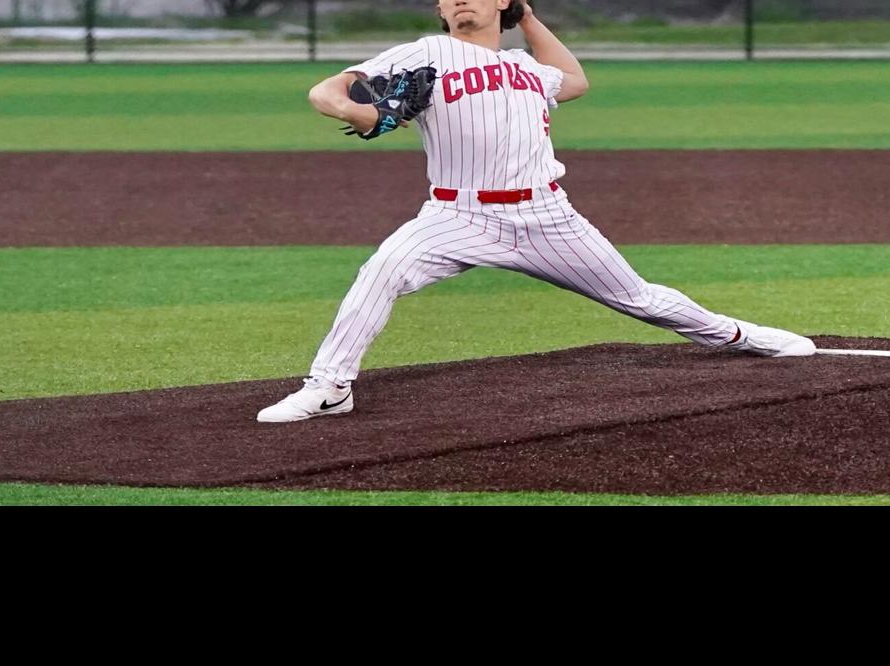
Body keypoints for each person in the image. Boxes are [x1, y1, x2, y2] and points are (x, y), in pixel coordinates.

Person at [258, 0, 815, 424]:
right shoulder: (425, 52)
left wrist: (529, 19)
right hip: (456, 217)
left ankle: (741, 336)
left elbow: (574, 81)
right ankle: (329, 387)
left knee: (639, 299)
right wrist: (363, 113)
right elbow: (325, 90)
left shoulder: (526, 65)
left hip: (549, 217)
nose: (458, 1)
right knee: (379, 273)